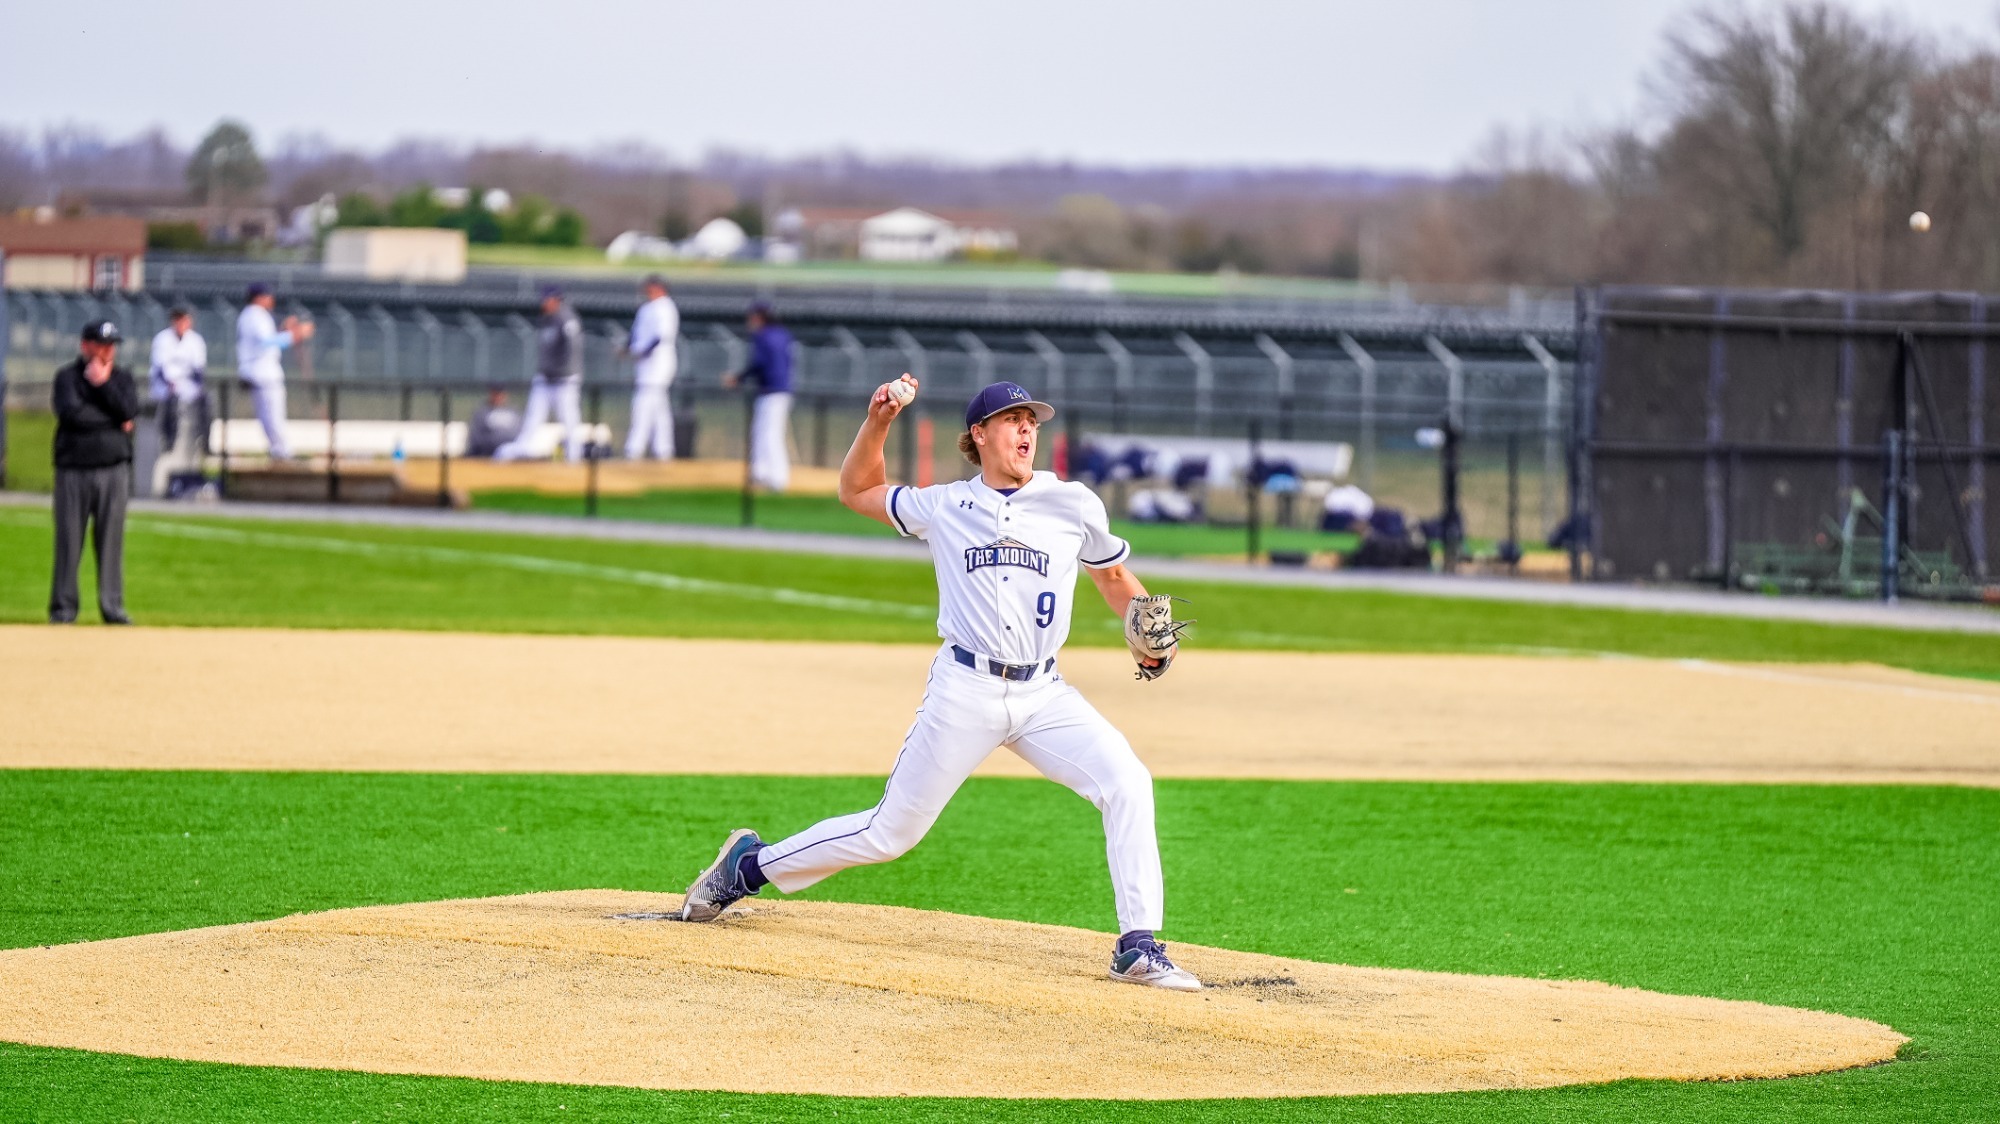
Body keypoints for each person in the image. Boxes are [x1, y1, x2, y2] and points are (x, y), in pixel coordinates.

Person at [679, 378, 1201, 991]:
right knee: (889, 833)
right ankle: (750, 866)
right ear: (979, 435)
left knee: (1128, 782)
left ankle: (1137, 945)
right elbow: (857, 490)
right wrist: (878, 422)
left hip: (1045, 696)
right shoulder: (944, 505)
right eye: (1012, 419)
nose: (1027, 429)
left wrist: (1146, 637)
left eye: (1032, 420)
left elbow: (1113, 576)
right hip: (966, 690)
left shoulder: (1074, 502)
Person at [50, 320, 139, 625]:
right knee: (68, 540)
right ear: (85, 345)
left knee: (111, 540)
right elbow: (73, 415)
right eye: (100, 344)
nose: (106, 350)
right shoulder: (68, 378)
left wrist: (103, 387)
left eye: (111, 345)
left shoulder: (122, 379)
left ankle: (112, 606)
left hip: (113, 469)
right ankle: (63, 607)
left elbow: (129, 410)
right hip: (74, 469)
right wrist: (114, 421)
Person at [496, 286, 584, 462]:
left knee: (568, 417)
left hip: (564, 379)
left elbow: (572, 349)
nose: (544, 302)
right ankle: (522, 449)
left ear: (556, 300)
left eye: (547, 299)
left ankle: (575, 455)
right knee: (533, 416)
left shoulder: (566, 319)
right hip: (546, 377)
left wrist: (561, 371)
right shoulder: (547, 319)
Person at [722, 302, 795, 491]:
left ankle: (777, 478)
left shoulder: (763, 336)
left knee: (769, 434)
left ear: (759, 317)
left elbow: (759, 363)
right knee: (764, 432)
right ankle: (761, 473)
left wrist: (738, 378)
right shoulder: (783, 334)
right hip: (781, 389)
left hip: (771, 390)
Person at [234, 283, 311, 460]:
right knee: (273, 415)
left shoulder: (252, 315)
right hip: (264, 373)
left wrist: (286, 331)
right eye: (268, 296)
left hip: (259, 372)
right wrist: (296, 334)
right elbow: (267, 342)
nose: (271, 299)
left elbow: (266, 340)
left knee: (268, 416)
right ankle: (282, 451)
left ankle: (278, 450)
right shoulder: (255, 315)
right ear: (259, 297)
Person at [148, 306, 208, 496]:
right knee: (172, 401)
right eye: (179, 320)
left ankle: (206, 439)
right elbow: (161, 370)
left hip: (187, 385)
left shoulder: (196, 341)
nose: (183, 324)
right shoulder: (163, 339)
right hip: (166, 386)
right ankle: (170, 438)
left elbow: (198, 371)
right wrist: (172, 384)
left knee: (207, 400)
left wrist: (198, 389)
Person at [623, 274, 679, 460]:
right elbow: (636, 333)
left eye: (651, 287)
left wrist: (643, 352)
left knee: (643, 404)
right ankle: (664, 450)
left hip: (658, 364)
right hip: (645, 364)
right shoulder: (646, 308)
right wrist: (627, 348)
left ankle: (634, 448)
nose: (647, 290)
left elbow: (661, 337)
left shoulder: (666, 307)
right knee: (658, 409)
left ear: (660, 287)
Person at [465, 386, 522, 458]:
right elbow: (476, 436)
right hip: (489, 452)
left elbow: (521, 431)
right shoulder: (482, 412)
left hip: (512, 450)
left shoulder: (514, 412)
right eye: (496, 394)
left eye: (500, 394)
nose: (498, 397)